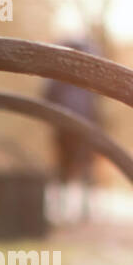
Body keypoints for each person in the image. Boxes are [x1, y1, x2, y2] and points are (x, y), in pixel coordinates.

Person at [42, 37, 101, 223]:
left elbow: (47, 95)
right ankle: (84, 209)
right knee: (84, 165)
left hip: (63, 124)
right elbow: (97, 101)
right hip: (84, 124)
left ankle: (62, 209)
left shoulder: (58, 69)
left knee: (64, 166)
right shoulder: (92, 68)